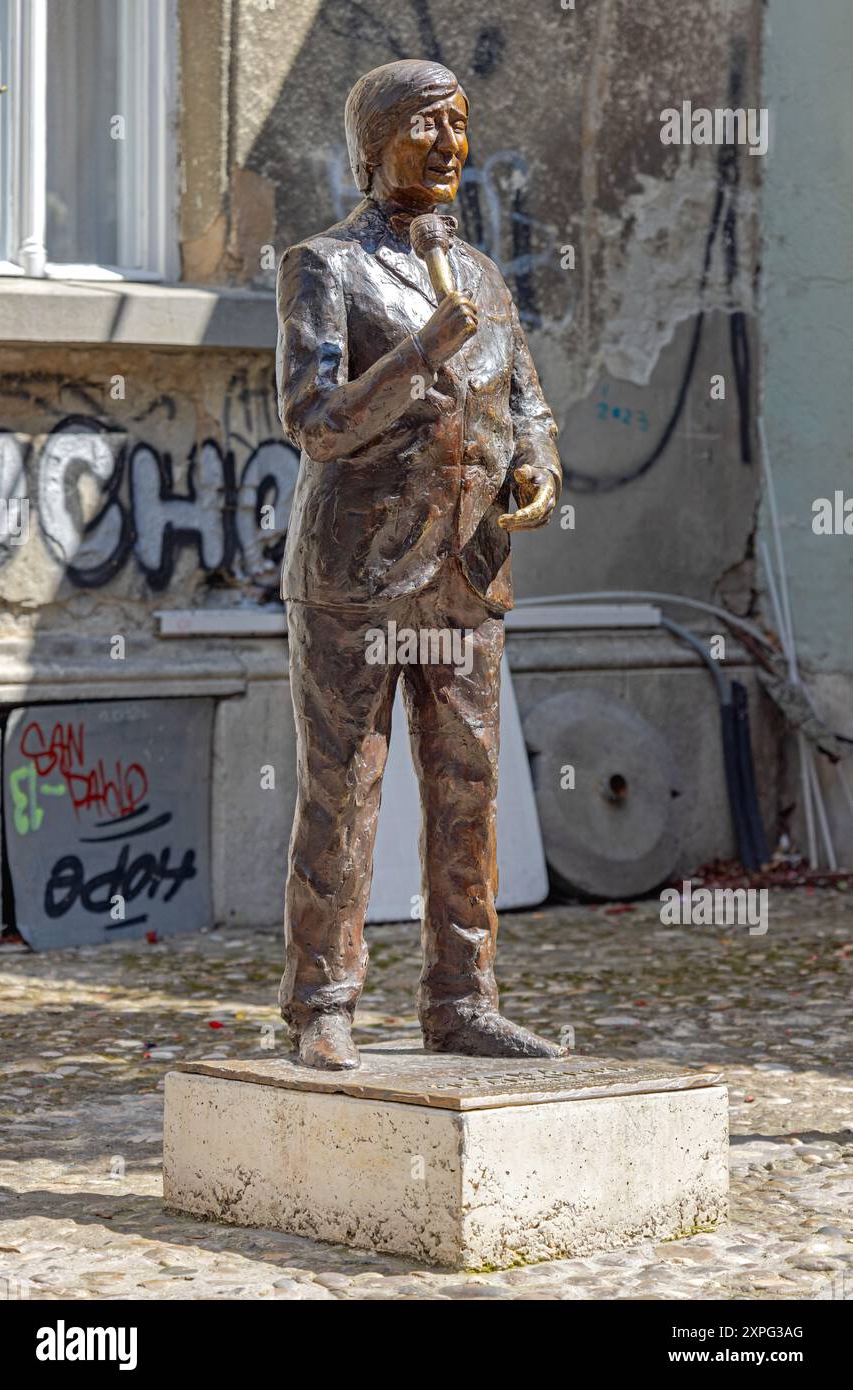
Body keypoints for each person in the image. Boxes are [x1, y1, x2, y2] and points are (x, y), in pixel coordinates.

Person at [276, 59, 563, 1069]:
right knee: (344, 785)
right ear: (374, 144)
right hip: (358, 576)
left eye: (460, 124)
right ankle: (321, 1003)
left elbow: (524, 396)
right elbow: (314, 421)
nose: (450, 145)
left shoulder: (481, 274)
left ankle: (461, 997)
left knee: (467, 786)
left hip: (465, 572)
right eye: (427, 126)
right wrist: (415, 356)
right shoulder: (325, 267)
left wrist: (538, 461)